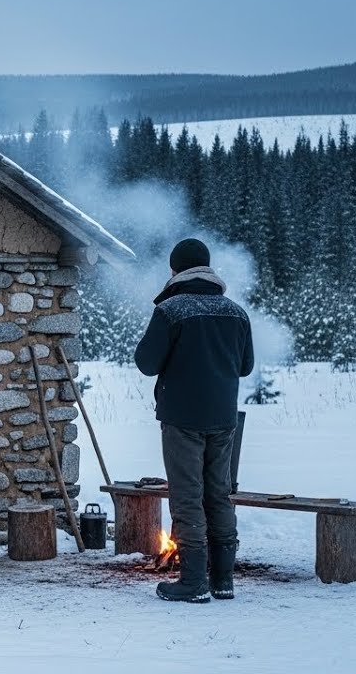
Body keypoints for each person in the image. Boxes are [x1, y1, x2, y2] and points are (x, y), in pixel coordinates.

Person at [134, 238, 254, 603]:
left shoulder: (171, 311)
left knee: (187, 496)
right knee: (218, 495)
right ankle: (222, 580)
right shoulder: (236, 312)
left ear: (175, 269)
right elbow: (245, 367)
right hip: (223, 417)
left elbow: (146, 363)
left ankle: (192, 581)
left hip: (182, 417)